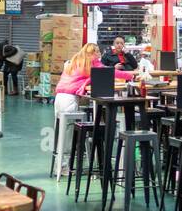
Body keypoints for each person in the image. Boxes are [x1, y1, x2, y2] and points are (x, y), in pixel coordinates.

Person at [51, 43, 131, 175]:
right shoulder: (91, 62)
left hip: (59, 97)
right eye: (97, 52)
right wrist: (131, 76)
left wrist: (87, 80)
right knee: (68, 134)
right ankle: (63, 168)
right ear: (92, 53)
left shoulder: (74, 60)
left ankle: (58, 166)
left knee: (61, 133)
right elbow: (111, 72)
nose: (99, 55)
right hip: (69, 99)